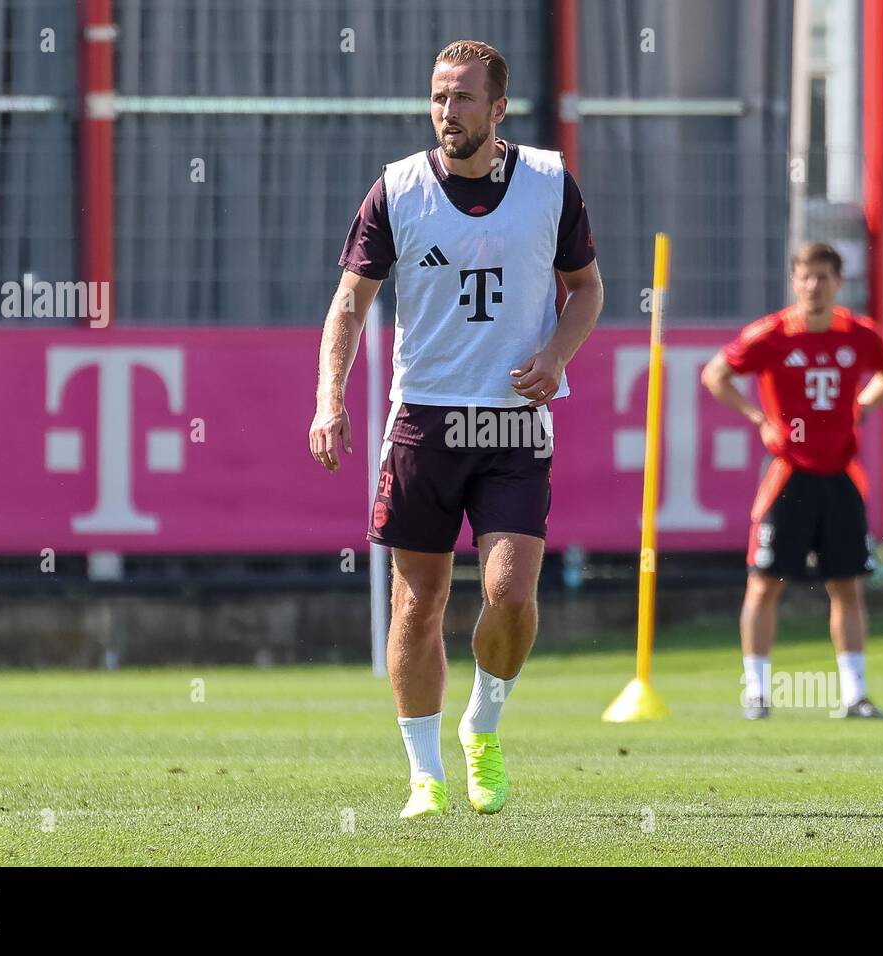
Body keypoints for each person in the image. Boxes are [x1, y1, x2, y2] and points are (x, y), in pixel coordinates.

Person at [309, 40, 603, 817]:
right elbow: (349, 303)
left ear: (498, 109)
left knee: (509, 592)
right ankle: (424, 775)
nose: (448, 112)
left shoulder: (548, 183)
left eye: (464, 98)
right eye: (439, 97)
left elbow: (586, 289)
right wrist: (328, 400)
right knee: (419, 601)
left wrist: (555, 353)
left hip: (513, 423)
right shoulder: (397, 188)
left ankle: (485, 724)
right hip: (425, 422)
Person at [701, 242, 883, 720]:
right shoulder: (773, 334)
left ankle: (854, 694)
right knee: (765, 582)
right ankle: (757, 692)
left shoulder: (858, 334)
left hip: (840, 476)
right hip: (788, 474)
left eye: (824, 277)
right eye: (806, 277)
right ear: (794, 281)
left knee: (846, 585)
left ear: (838, 283)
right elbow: (716, 374)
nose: (814, 286)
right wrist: (756, 417)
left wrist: (863, 406)